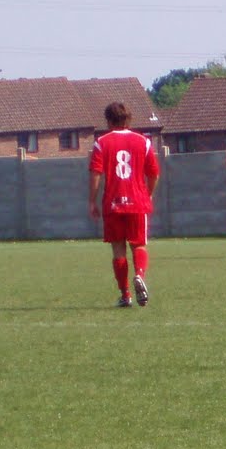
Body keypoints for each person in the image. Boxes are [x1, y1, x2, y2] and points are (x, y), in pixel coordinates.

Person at [88, 101, 161, 307]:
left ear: (108, 120)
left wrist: (92, 201)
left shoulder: (101, 142)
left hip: (113, 202)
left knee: (118, 249)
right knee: (138, 244)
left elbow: (96, 174)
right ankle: (139, 275)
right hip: (137, 201)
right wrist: (148, 194)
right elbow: (154, 173)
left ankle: (126, 294)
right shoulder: (143, 142)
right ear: (128, 119)